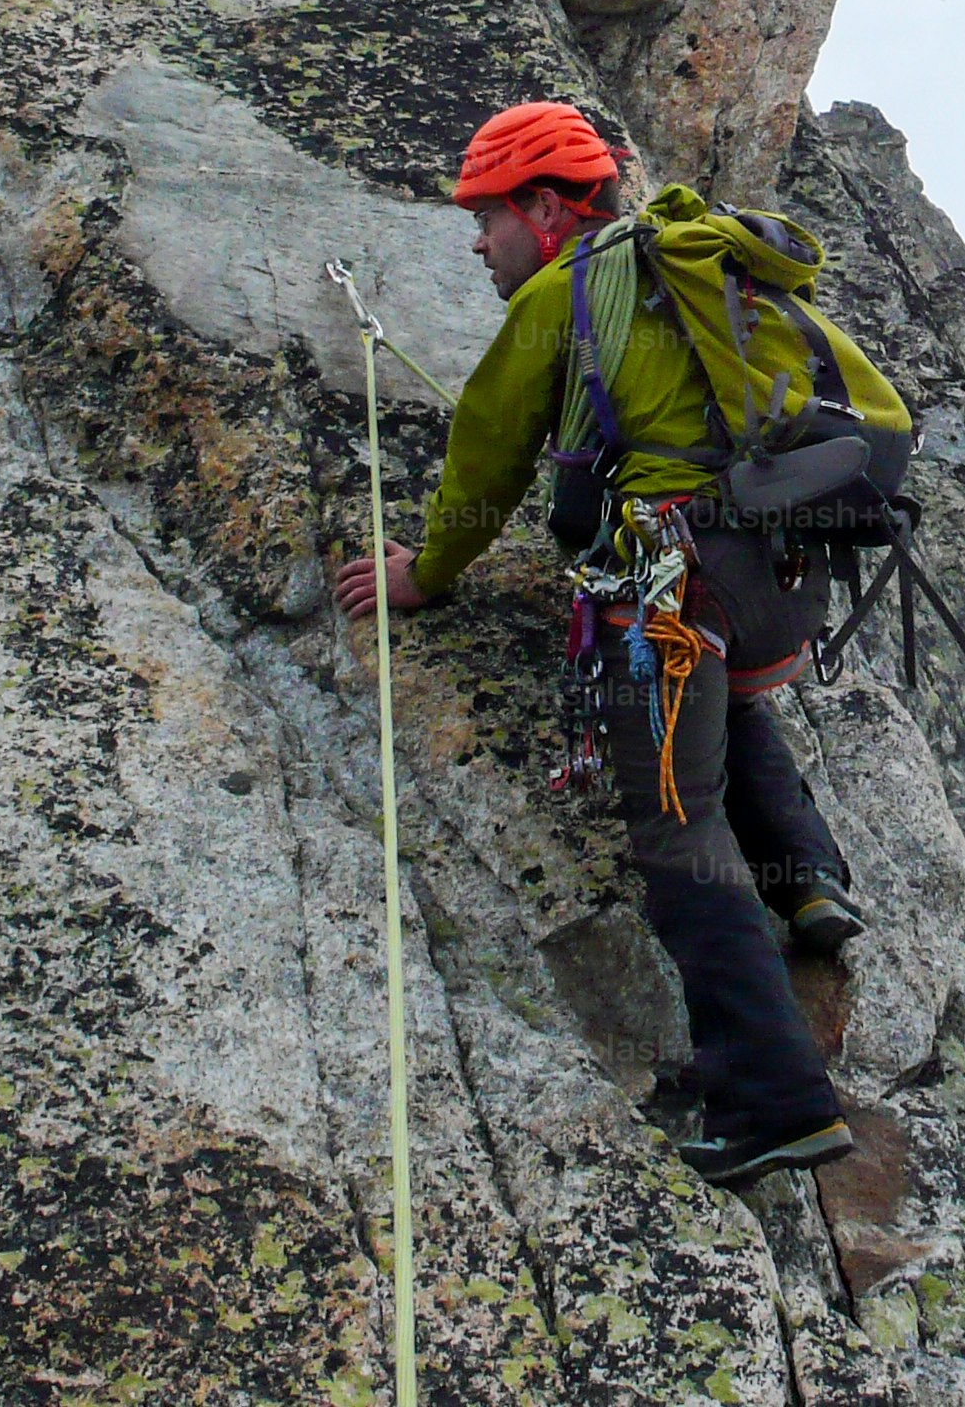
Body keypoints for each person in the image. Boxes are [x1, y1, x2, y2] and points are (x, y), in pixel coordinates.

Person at [329, 100, 881, 1187]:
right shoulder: (695, 278)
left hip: (677, 583)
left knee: (676, 828)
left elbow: (483, 460)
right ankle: (810, 877)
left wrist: (423, 574)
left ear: (543, 209)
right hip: (782, 575)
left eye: (485, 217)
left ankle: (776, 1101)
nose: (475, 241)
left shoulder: (558, 298)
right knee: (720, 703)